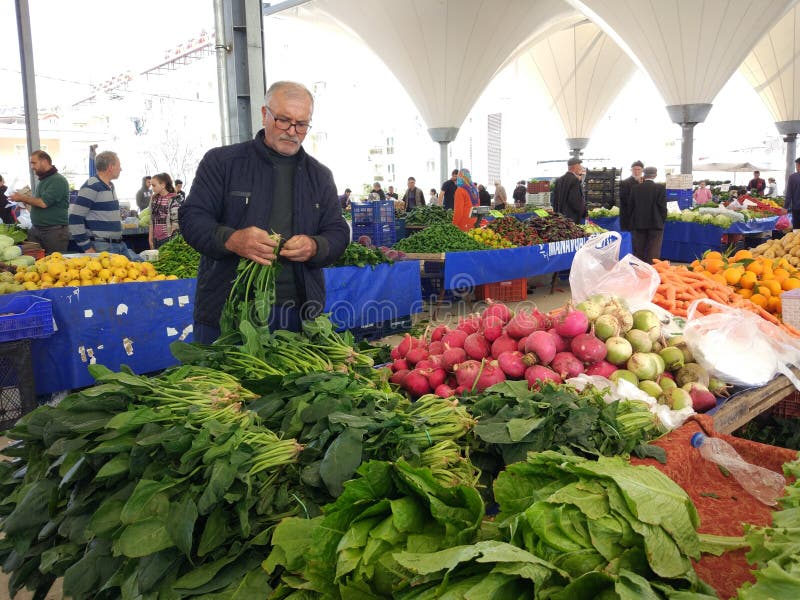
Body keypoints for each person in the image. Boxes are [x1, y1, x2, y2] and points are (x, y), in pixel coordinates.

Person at [179, 80, 349, 344]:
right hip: (228, 310)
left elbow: (338, 231)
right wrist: (231, 239)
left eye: (302, 124)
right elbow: (192, 218)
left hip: (298, 314)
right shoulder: (222, 163)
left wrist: (316, 246)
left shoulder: (320, 176)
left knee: (293, 383)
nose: (292, 131)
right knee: (223, 383)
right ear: (264, 115)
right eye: (283, 120)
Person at [68, 151, 140, 260]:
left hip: (118, 244)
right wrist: (87, 248)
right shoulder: (91, 186)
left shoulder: (110, 186)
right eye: (119, 166)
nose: (121, 169)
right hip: (102, 247)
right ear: (110, 167)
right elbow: (74, 219)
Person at [9, 150, 70, 253]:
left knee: (54, 263)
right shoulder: (43, 180)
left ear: (44, 162)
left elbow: (43, 203)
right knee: (36, 262)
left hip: (53, 231)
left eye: (34, 163)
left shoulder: (58, 180)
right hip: (37, 229)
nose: (32, 167)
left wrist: (22, 198)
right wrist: (24, 203)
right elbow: (37, 202)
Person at [628, 166, 666, 264]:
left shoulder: (635, 188)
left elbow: (630, 207)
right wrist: (661, 221)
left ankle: (638, 270)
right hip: (656, 223)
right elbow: (662, 208)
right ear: (655, 175)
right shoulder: (660, 188)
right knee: (653, 250)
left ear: (644, 175)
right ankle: (651, 271)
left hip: (638, 223)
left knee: (638, 250)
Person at [149, 173, 181, 249]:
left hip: (168, 239)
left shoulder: (174, 199)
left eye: (154, 185)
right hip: (156, 239)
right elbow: (151, 220)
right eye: (151, 185)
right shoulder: (153, 199)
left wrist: (173, 241)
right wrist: (150, 238)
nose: (152, 188)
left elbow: (175, 222)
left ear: (163, 185)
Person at [552, 157, 586, 224]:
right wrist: (584, 213)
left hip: (560, 217)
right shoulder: (574, 180)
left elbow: (554, 199)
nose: (580, 167)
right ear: (575, 166)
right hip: (572, 218)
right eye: (579, 165)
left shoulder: (559, 180)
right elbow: (575, 200)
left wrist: (556, 213)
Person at [619, 160, 644, 231]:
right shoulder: (625, 182)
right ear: (631, 170)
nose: (636, 172)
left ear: (642, 170)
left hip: (642, 217)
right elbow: (624, 199)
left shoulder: (645, 182)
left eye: (638, 169)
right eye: (634, 169)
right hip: (629, 216)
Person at [785, 158, 800, 229]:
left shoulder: (793, 177)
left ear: (798, 166)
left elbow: (789, 194)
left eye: (796, 165)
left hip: (797, 208)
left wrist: (785, 207)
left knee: (797, 228)